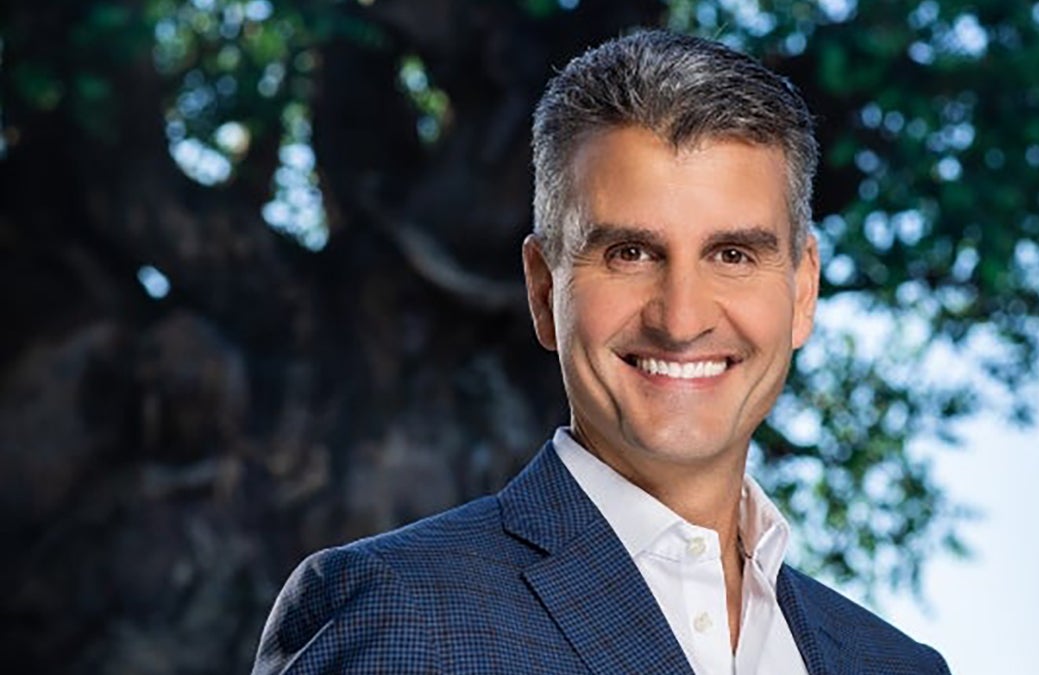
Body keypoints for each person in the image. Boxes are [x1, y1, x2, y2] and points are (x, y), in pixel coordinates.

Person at [252, 29, 951, 674]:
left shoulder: (897, 666)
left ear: (803, 291)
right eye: (630, 253)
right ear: (542, 289)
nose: (682, 319)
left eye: (733, 254)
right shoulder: (400, 611)